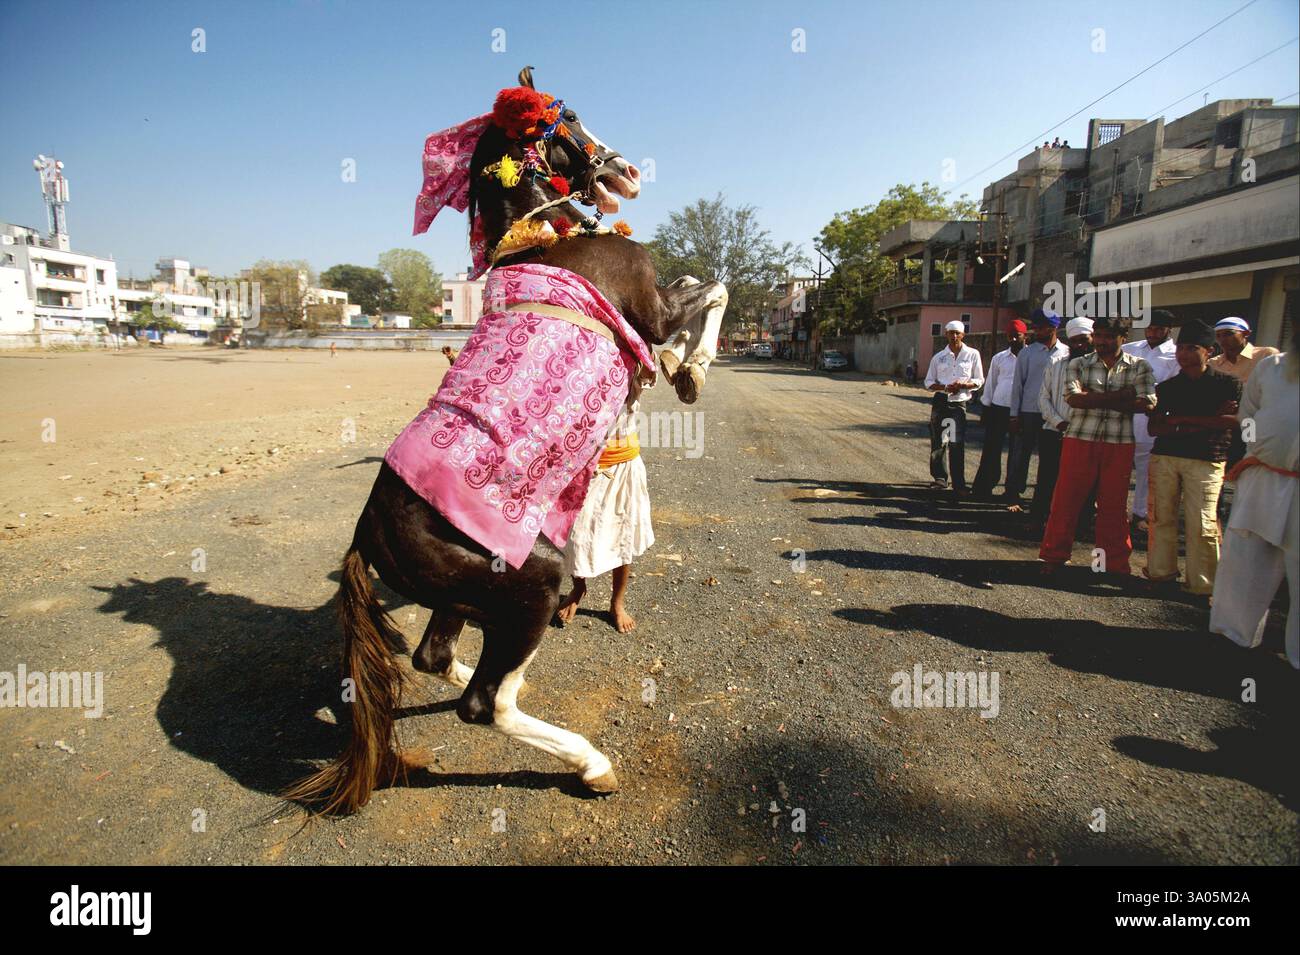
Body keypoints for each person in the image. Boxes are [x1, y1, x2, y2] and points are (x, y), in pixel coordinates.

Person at [1039, 318, 1156, 578]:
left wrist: (1095, 398)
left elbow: (1147, 403)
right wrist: (1122, 396)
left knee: (1112, 506)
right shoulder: (1079, 364)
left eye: (1109, 336)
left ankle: (1110, 564)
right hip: (1080, 438)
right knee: (1066, 500)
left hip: (1119, 442)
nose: (1102, 341)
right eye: (1099, 335)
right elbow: (1074, 399)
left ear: (1123, 337)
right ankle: (1054, 556)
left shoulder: (1139, 367)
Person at [1210, 325, 1298, 667]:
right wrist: (1254, 452)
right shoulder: (1272, 367)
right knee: (1246, 559)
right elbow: (1248, 415)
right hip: (1263, 476)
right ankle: (1234, 632)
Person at [1143, 320, 1241, 597]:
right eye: (1181, 348)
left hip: (1208, 459)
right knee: (1161, 517)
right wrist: (1208, 420)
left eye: (1192, 348)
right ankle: (1160, 573)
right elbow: (1154, 427)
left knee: (1203, 523)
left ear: (1209, 351)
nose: (1184, 354)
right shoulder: (1168, 387)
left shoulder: (1227, 384)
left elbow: (1232, 422)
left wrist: (1180, 420)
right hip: (1166, 457)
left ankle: (1203, 584)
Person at [556, 375, 655, 633]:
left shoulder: (633, 367)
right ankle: (578, 588)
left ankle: (617, 603)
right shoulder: (585, 367)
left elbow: (651, 369)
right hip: (584, 465)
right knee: (575, 536)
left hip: (623, 467)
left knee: (623, 538)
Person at [1033, 317, 1094, 532]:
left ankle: (1080, 526)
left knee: (1083, 485)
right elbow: (1043, 397)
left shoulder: (1099, 368)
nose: (1079, 345)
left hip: (1086, 435)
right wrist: (1059, 423)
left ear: (1091, 339)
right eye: (1074, 341)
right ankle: (1040, 521)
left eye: (1083, 340)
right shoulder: (1056, 363)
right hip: (1054, 431)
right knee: (1048, 481)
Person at [1122, 310, 1180, 532]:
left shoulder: (1175, 356)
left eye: (1158, 328)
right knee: (1119, 465)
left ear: (1169, 330)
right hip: (1125, 417)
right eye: (1149, 328)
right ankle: (1112, 510)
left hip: (1151, 420)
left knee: (1146, 471)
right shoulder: (1131, 349)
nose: (1152, 332)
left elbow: (1173, 390)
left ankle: (1139, 514)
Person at [1007, 308, 1069, 507]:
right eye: (1035, 328)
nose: (1036, 331)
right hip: (1030, 412)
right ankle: (1014, 493)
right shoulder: (1027, 353)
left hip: (1054, 413)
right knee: (1021, 455)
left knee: (1050, 458)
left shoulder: (1067, 353)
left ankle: (1045, 498)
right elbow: (1018, 385)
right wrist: (1014, 415)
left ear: (1053, 328)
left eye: (1041, 328)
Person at [924, 320, 984, 496]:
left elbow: (979, 380)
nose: (954, 336)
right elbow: (928, 382)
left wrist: (965, 385)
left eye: (957, 333)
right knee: (939, 442)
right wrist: (944, 387)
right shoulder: (939, 357)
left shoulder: (972, 355)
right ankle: (940, 479)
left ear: (963, 335)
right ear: (946, 334)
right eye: (951, 333)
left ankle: (959, 483)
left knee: (956, 443)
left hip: (959, 404)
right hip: (942, 401)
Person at [971, 319, 1027, 499]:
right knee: (991, 449)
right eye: (1010, 336)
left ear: (1025, 335)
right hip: (998, 408)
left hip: (1021, 411)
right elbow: (990, 384)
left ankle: (1013, 489)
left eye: (1016, 336)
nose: (1013, 339)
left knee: (1017, 451)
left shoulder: (1031, 356)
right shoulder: (999, 358)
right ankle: (984, 486)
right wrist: (985, 408)